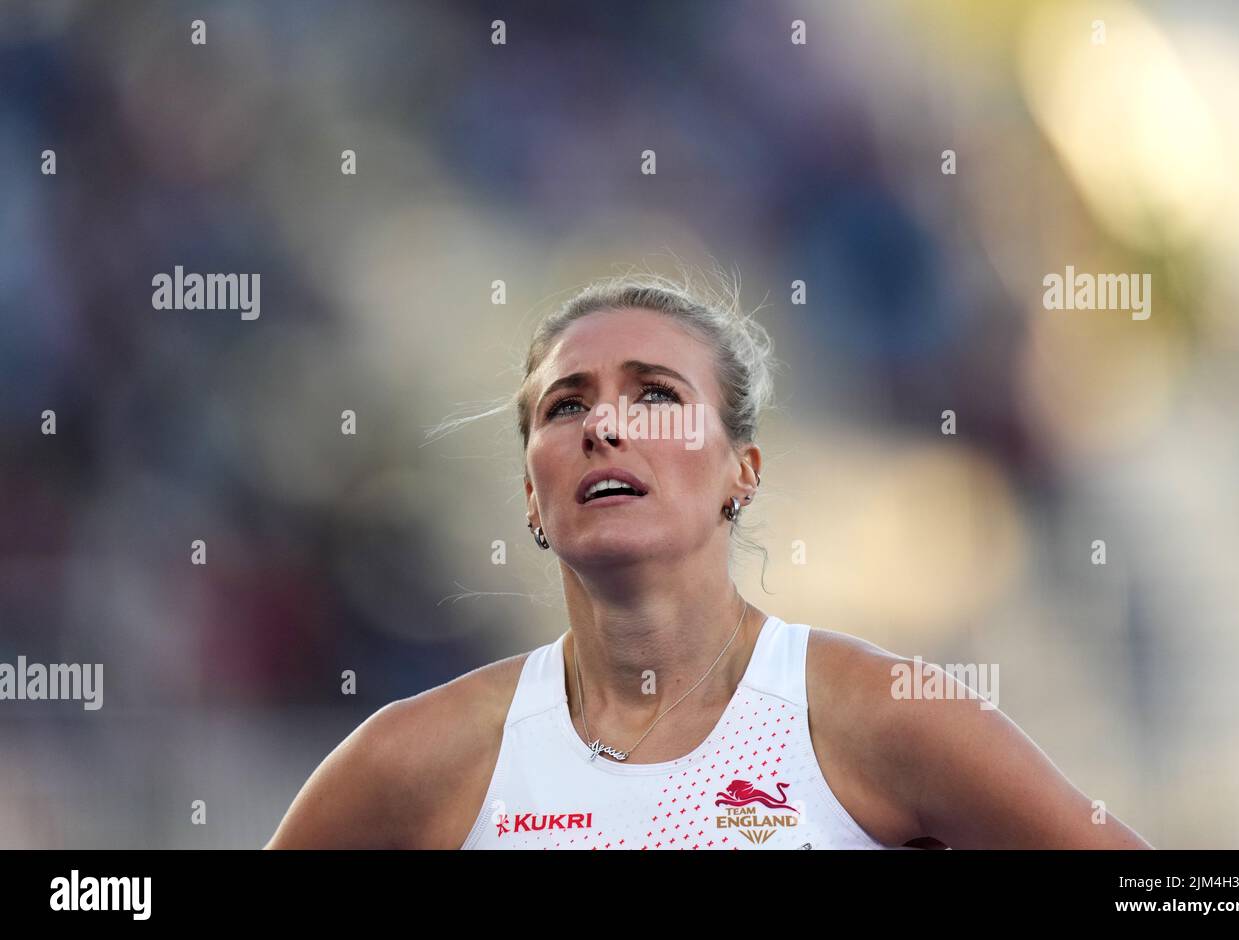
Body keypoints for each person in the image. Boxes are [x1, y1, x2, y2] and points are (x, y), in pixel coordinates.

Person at [265, 270, 1152, 850]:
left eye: (655, 394)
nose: (605, 426)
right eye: (566, 407)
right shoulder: (417, 759)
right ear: (531, 496)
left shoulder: (871, 718)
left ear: (742, 470)